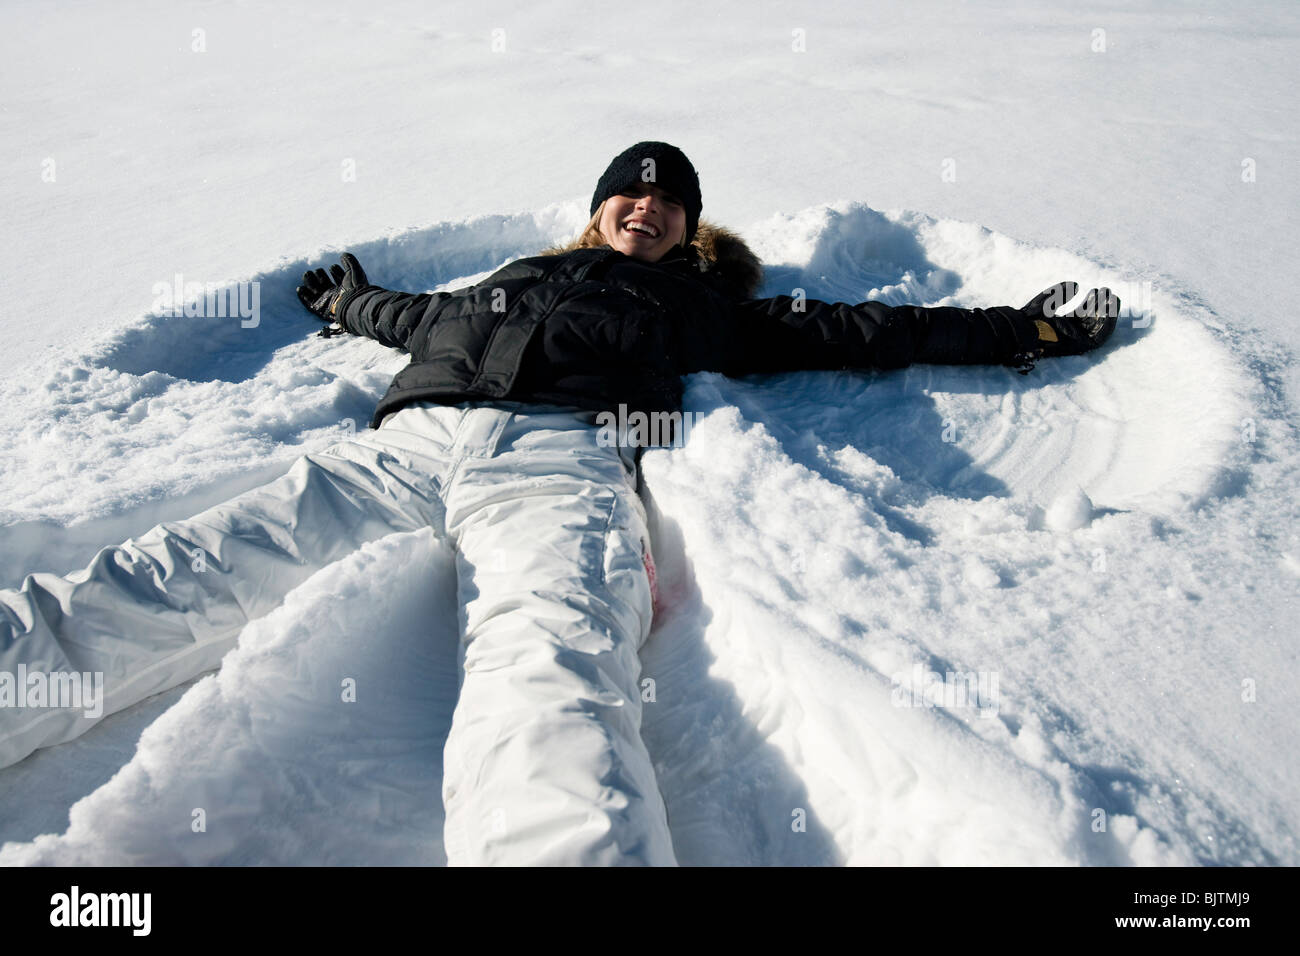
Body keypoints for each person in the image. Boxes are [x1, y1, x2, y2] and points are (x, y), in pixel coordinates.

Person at [0, 142, 1119, 866]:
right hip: (407, 451)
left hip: (567, 464)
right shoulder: (502, 282)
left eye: (671, 201)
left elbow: (860, 330)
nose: (648, 205)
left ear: (687, 230)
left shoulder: (691, 303)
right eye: (631, 192)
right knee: (161, 575)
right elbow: (406, 316)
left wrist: (1018, 330)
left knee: (550, 671)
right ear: (597, 214)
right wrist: (344, 299)